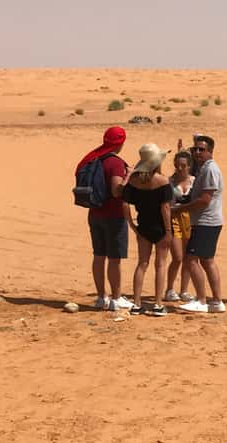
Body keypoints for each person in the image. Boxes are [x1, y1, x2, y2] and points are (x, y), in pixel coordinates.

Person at [77, 126, 135, 311]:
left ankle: (102, 296)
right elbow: (116, 190)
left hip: (95, 213)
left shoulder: (93, 157)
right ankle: (116, 298)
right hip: (113, 215)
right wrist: (129, 177)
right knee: (114, 258)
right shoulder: (114, 163)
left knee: (99, 255)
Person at [174, 135, 225, 314]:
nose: (197, 152)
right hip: (206, 220)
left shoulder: (210, 170)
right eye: (195, 149)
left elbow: (205, 199)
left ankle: (202, 300)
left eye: (201, 149)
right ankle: (216, 301)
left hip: (206, 221)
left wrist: (181, 209)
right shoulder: (203, 169)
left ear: (210, 151)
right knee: (207, 261)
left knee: (191, 260)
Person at [122, 144, 173, 317]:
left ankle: (136, 303)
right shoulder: (162, 181)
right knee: (160, 265)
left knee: (142, 264)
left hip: (143, 225)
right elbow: (165, 208)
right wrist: (168, 231)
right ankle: (158, 304)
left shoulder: (134, 181)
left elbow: (124, 203)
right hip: (159, 226)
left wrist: (132, 225)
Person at [165, 150, 194, 303]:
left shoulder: (194, 181)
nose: (180, 168)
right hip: (174, 219)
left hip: (189, 220)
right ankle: (169, 288)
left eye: (183, 166)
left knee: (189, 257)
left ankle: (184, 289)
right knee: (177, 257)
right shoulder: (169, 182)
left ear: (189, 166)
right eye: (177, 165)